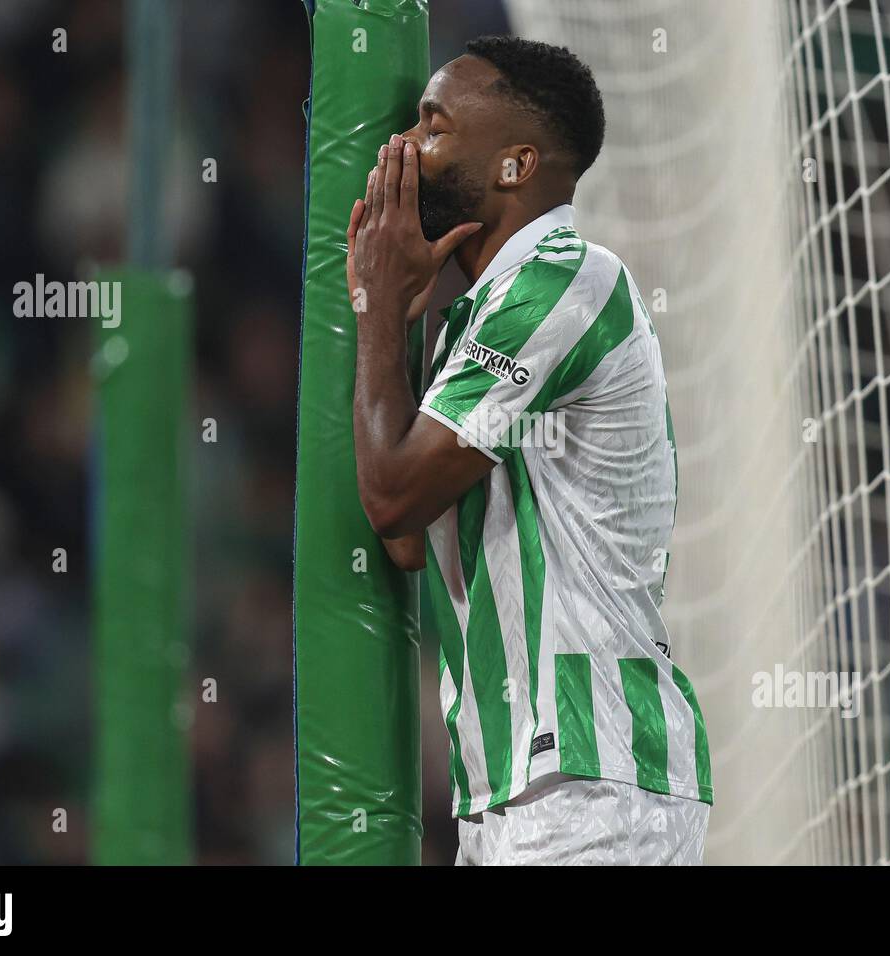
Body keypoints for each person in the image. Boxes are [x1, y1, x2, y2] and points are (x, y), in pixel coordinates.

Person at [347, 35, 712, 865]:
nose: (401, 149)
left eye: (432, 128)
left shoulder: (568, 279)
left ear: (513, 167)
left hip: (593, 774)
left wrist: (374, 312)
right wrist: (398, 321)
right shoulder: (474, 322)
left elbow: (395, 497)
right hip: (511, 787)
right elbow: (407, 542)